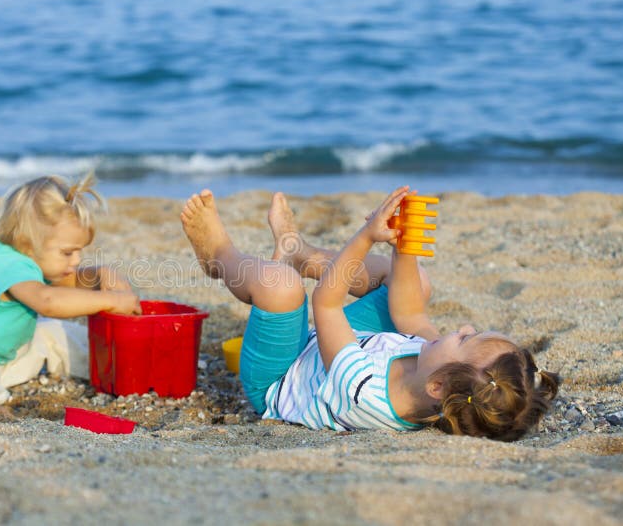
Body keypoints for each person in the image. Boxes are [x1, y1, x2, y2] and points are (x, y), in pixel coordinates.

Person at [181, 186, 560, 441]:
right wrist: (403, 243)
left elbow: (325, 303)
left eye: (464, 338)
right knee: (413, 282)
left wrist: (366, 235)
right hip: (336, 347)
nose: (462, 326)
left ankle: (219, 257)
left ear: (437, 387)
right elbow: (409, 307)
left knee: (282, 286)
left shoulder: (362, 389)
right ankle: (299, 253)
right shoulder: (439, 375)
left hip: (283, 376)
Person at [0, 173, 141, 417]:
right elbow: (48, 301)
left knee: (52, 331)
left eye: (79, 252)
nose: (77, 260)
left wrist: (101, 275)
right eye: (68, 253)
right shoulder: (4, 264)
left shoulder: (28, 258)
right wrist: (112, 300)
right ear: (30, 244)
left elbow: (67, 282)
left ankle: (111, 365)